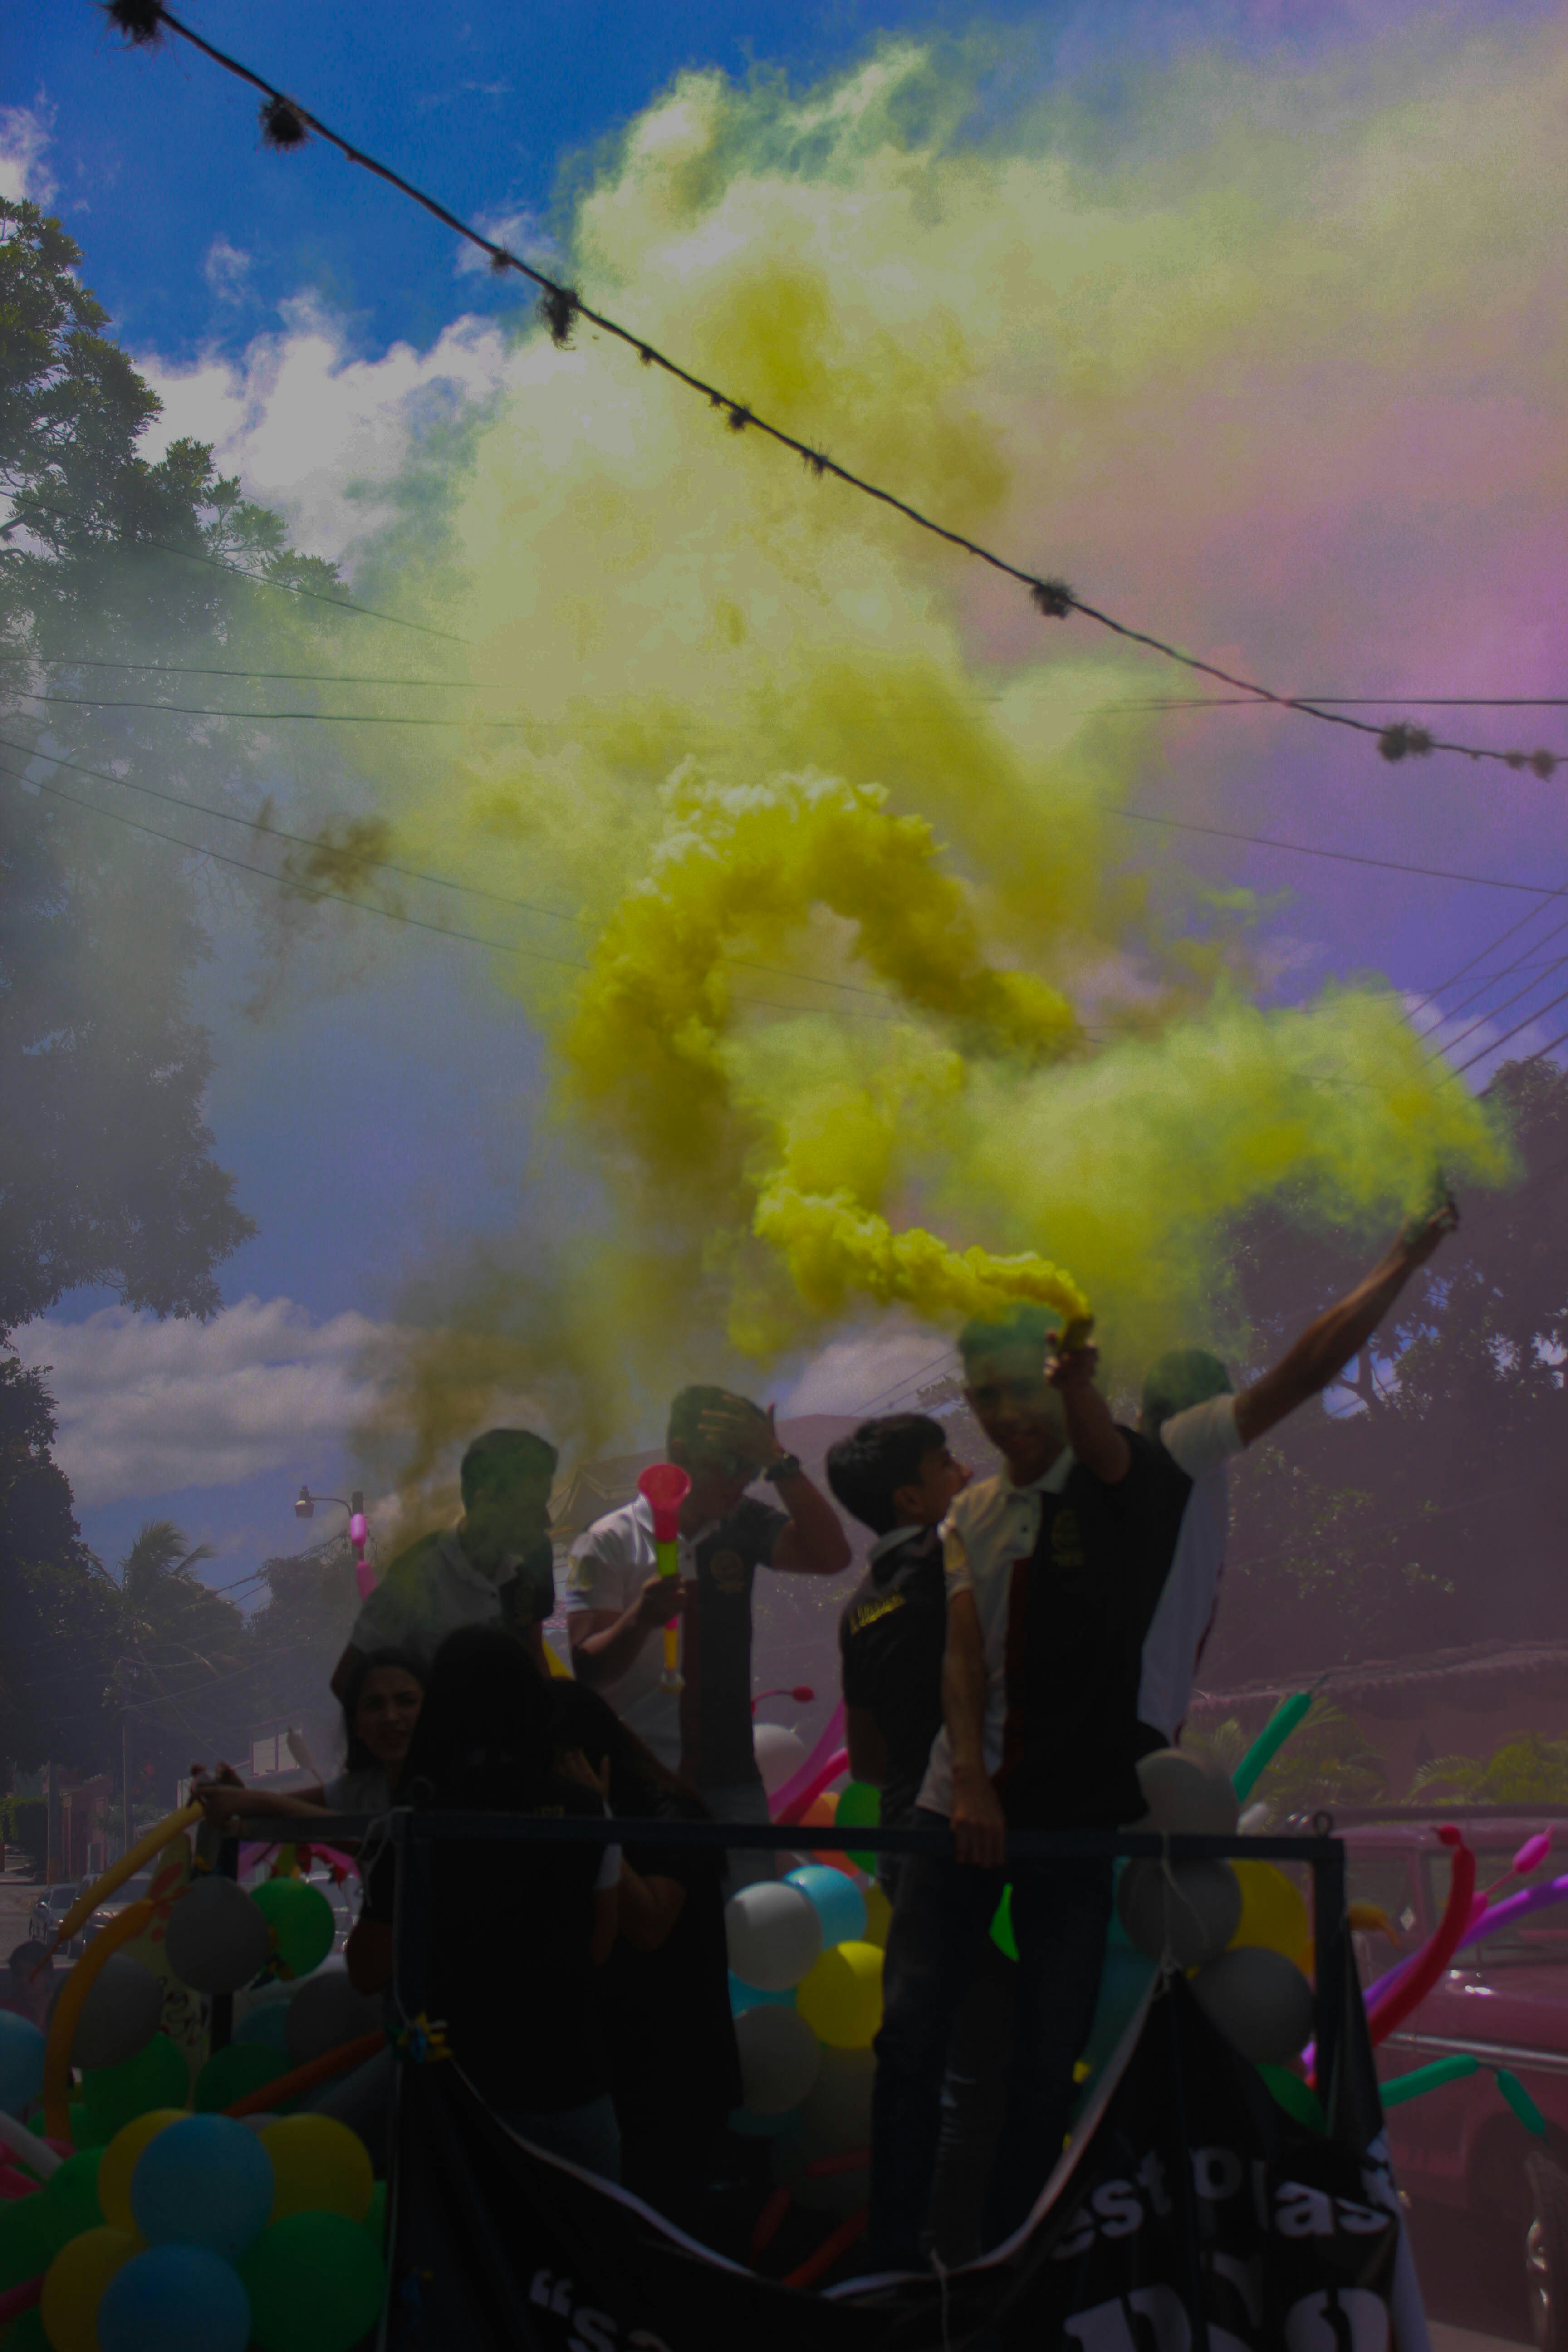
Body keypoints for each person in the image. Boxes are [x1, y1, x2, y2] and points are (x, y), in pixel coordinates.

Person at [1067, 1201, 1460, 1747]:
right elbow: (1305, 1373)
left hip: (1112, 1728)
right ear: (1203, 1409)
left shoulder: (1127, 1476)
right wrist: (1401, 1259)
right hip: (1122, 1735)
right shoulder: (1182, 1447)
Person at [347, 1625, 624, 2178]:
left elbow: (367, 1968)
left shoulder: (415, 1823)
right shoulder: (587, 1810)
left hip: (459, 2094)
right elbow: (599, 1944)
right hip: (573, 2086)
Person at [565, 1387, 850, 1847]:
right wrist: (641, 1618)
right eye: (734, 1463)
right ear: (681, 1451)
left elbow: (832, 1556)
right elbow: (588, 1671)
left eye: (754, 1468)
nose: (744, 1481)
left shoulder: (745, 1522)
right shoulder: (607, 1540)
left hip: (734, 1779)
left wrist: (780, 1462)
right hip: (645, 1778)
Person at [828, 1415, 970, 1896]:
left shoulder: (858, 1611)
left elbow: (866, 1761)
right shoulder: (958, 1558)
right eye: (947, 1462)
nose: (967, 1472)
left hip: (903, 1841)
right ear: (910, 1499)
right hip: (982, 1835)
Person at [330, 1428, 559, 1699]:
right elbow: (346, 1680)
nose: (546, 1522)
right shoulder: (418, 1573)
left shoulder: (534, 1558)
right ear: (485, 1501)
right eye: (532, 1506)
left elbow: (534, 1653)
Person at [192, 1648, 426, 1832]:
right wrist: (241, 1797)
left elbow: (377, 1846)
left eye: (406, 1701)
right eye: (374, 1705)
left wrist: (257, 1802)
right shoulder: (362, 1790)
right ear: (357, 1726)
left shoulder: (455, 1784)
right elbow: (278, 1812)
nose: (390, 1717)